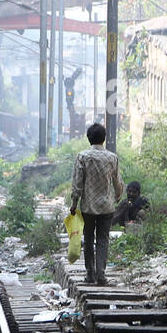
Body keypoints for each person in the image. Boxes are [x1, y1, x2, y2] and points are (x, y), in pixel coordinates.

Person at [69, 122, 124, 286]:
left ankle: (90, 274)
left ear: (89, 139)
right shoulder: (112, 157)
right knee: (102, 239)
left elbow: (77, 183)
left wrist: (74, 203)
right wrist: (118, 196)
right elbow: (118, 181)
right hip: (107, 206)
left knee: (88, 237)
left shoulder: (83, 157)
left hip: (88, 207)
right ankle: (101, 274)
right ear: (104, 139)